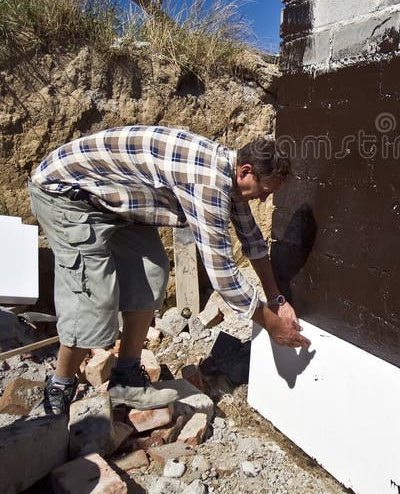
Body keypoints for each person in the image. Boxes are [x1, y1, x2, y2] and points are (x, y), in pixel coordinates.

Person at [29, 125, 310, 416]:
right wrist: (271, 324)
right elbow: (223, 275)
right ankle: (59, 388)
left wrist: (276, 299)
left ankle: (126, 380)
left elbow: (251, 239)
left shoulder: (231, 176)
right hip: (66, 193)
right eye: (264, 191)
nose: (263, 200)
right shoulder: (208, 183)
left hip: (113, 199)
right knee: (92, 293)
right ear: (246, 171)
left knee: (153, 270)